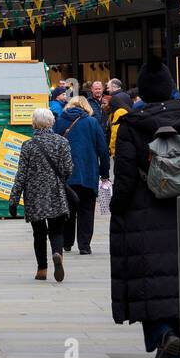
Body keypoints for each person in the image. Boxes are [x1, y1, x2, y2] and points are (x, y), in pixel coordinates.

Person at [110, 59, 180, 358]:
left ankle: (166, 338)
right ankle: (175, 342)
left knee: (148, 284)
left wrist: (118, 208)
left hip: (143, 212)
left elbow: (124, 177)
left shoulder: (130, 125)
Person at [8, 107, 73, 282]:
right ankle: (57, 253)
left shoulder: (28, 145)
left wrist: (13, 199)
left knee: (39, 233)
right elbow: (68, 169)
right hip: (56, 192)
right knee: (57, 230)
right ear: (52, 122)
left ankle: (42, 270)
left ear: (34, 124)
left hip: (34, 195)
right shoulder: (62, 142)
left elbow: (21, 174)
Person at [53, 94, 110, 254]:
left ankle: (66, 243)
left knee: (67, 209)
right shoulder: (92, 122)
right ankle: (84, 245)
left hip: (66, 175)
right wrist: (104, 173)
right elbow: (103, 150)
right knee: (86, 209)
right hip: (88, 173)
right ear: (87, 107)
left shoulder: (60, 121)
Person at [107, 88, 134, 156]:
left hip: (120, 149)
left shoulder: (119, 112)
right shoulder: (124, 110)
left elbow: (115, 133)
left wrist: (112, 150)